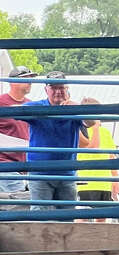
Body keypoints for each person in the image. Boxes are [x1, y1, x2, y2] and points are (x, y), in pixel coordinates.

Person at [22, 71, 88, 208]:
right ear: (46, 89)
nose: (58, 91)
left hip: (67, 173)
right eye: (53, 87)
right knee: (40, 218)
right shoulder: (37, 107)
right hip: (40, 173)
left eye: (61, 87)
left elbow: (91, 122)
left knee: (67, 219)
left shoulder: (73, 108)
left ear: (67, 89)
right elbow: (14, 112)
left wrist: (79, 109)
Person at [76, 97, 119, 220]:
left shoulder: (105, 132)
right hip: (85, 184)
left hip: (104, 183)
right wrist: (95, 127)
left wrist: (115, 179)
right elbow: (93, 147)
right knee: (82, 217)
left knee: (102, 218)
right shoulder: (80, 131)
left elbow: (110, 156)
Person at [0, 65, 35, 211]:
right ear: (12, 82)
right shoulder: (2, 103)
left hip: (24, 168)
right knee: (20, 205)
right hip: (5, 165)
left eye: (31, 79)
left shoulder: (31, 105)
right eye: (25, 79)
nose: (30, 82)